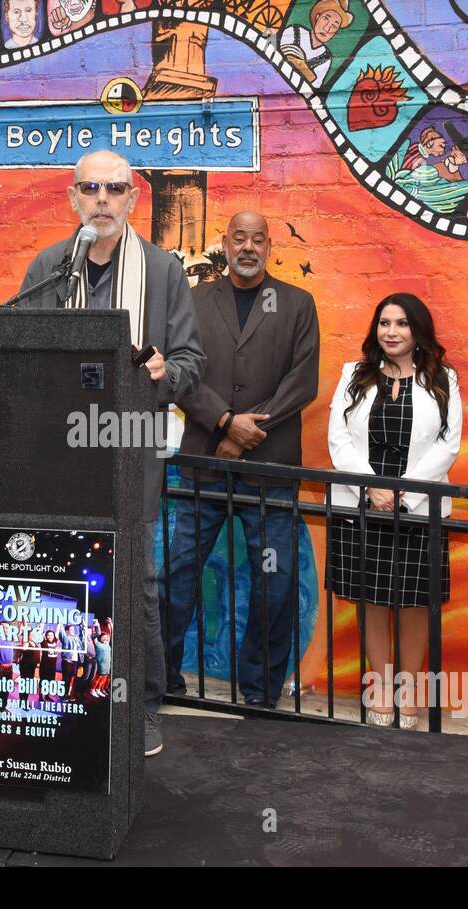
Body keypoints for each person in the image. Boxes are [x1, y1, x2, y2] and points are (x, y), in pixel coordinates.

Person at [17, 149, 205, 757]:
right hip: (59, 452)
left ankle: (145, 707)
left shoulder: (162, 271)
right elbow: (22, 354)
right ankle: (64, 698)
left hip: (130, 444)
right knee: (61, 576)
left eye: (115, 189)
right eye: (90, 188)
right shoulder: (50, 267)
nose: (102, 199)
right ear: (73, 198)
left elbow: (191, 363)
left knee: (138, 581)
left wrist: (160, 372)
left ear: (132, 199)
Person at [164, 211, 320, 708]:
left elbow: (302, 382)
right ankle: (163, 676)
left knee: (273, 585)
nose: (247, 247)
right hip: (202, 467)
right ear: (224, 244)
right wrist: (226, 423)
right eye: (239, 238)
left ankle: (259, 690)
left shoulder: (298, 304)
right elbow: (179, 373)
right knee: (176, 575)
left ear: (270, 246)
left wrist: (250, 429)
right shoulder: (193, 299)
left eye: (257, 239)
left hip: (269, 469)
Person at [328, 293, 461, 729]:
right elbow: (339, 441)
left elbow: (448, 444)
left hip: (418, 506)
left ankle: (410, 690)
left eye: (401, 324)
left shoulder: (443, 379)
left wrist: (402, 493)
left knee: (414, 602)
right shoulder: (354, 375)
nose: (391, 332)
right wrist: (372, 490)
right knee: (372, 599)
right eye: (384, 323)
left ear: (417, 331)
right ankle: (379, 689)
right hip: (362, 504)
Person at [274, 0, 353, 87]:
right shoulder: (294, 31)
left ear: (335, 33)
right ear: (317, 17)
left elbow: (314, 86)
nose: (327, 28)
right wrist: (310, 74)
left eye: (334, 26)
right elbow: (281, 58)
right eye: (326, 18)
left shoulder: (326, 57)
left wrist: (299, 61)